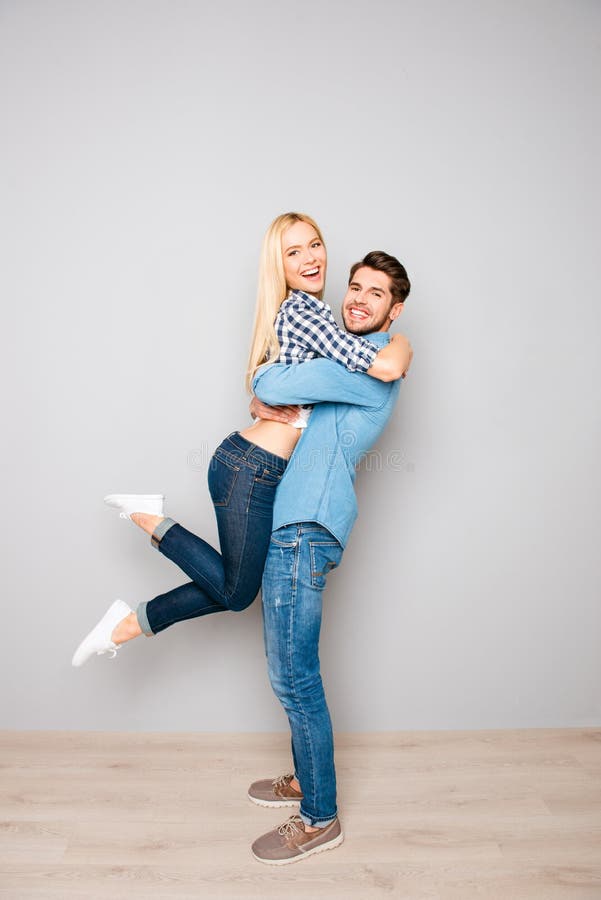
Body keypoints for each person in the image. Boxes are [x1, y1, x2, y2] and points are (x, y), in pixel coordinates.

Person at [71, 215, 411, 666]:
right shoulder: (305, 310)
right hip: (249, 466)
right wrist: (399, 348)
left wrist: (264, 388)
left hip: (254, 466)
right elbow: (358, 363)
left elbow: (290, 379)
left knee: (235, 591)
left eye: (314, 245)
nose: (310, 258)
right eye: (293, 253)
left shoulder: (315, 315)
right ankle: (147, 524)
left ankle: (130, 617)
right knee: (236, 592)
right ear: (279, 265)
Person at [246, 250, 411, 865]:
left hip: (305, 529)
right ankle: (307, 774)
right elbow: (278, 391)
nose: (359, 299)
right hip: (294, 523)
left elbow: (271, 381)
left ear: (395, 310)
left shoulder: (369, 369)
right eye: (355, 287)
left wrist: (264, 386)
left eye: (376, 294)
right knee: (289, 668)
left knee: (295, 677)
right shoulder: (349, 355)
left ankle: (319, 815)